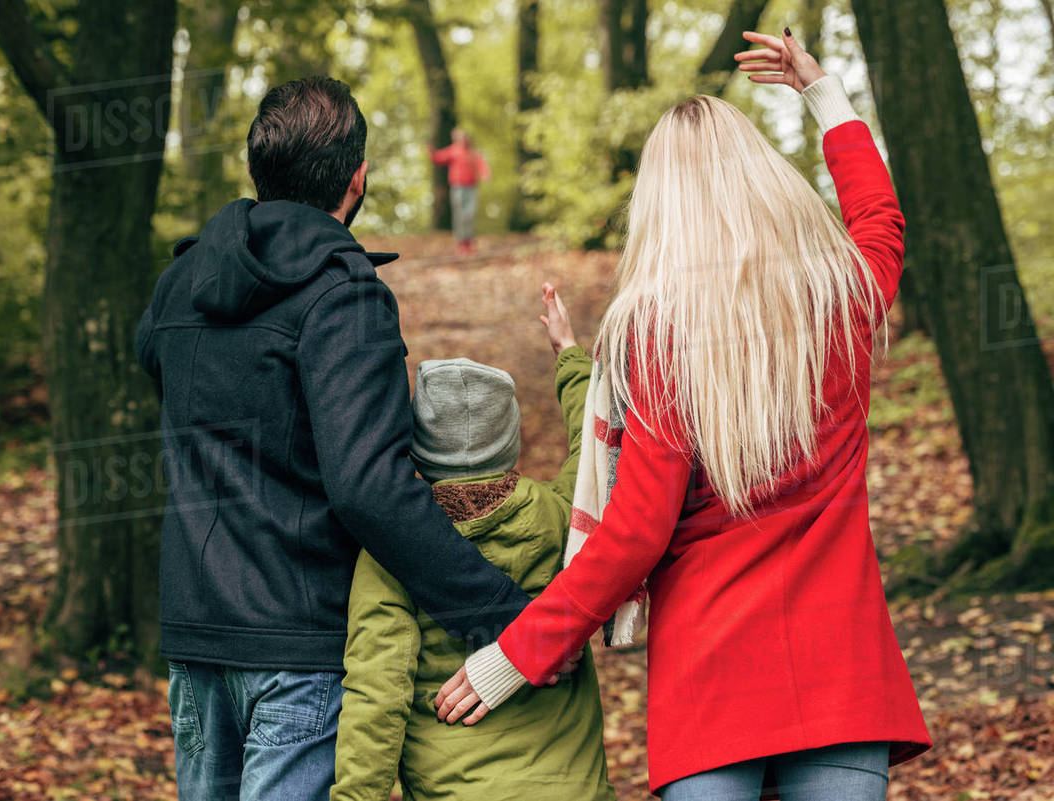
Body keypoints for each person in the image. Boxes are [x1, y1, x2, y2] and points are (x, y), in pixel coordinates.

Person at [435, 29, 932, 801]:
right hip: (843, 675)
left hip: (712, 685)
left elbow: (633, 534)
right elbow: (880, 216)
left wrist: (514, 653)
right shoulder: (843, 300)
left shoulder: (658, 341)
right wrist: (822, 90)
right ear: (763, 182)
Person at [134, 76, 533, 801]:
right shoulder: (343, 295)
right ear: (358, 178)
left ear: (261, 170)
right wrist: (503, 616)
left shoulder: (181, 280)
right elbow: (371, 489)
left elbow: (153, 361)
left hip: (197, 633)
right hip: (299, 644)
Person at [330, 285, 614, 801]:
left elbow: (378, 691)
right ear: (509, 435)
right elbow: (593, 445)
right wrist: (568, 355)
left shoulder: (393, 547)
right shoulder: (558, 518)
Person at [429, 128, 491, 255]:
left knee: (469, 214)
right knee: (459, 215)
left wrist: (485, 174)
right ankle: (461, 243)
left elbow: (482, 165)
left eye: (463, 136)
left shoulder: (473, 152)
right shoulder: (453, 150)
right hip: (457, 188)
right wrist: (430, 151)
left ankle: (469, 242)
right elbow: (438, 158)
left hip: (471, 187)